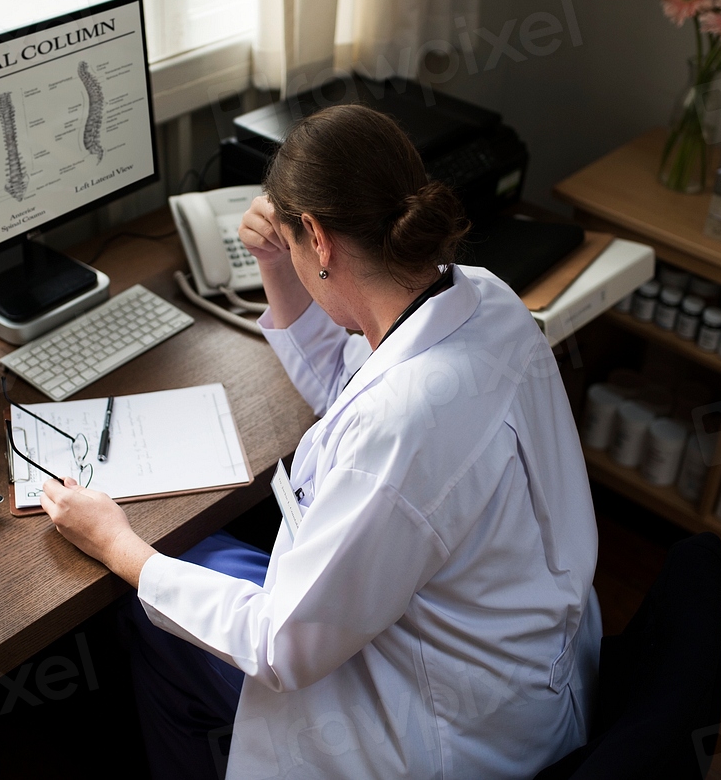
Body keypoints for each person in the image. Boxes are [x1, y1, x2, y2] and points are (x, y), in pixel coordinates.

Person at [42, 103, 601, 779]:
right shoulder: (481, 299)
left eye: (296, 245)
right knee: (206, 551)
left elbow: (282, 646)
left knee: (150, 618)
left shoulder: (403, 423)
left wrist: (118, 545)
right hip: (511, 654)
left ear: (318, 234)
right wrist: (279, 268)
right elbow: (359, 383)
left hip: (442, 731)